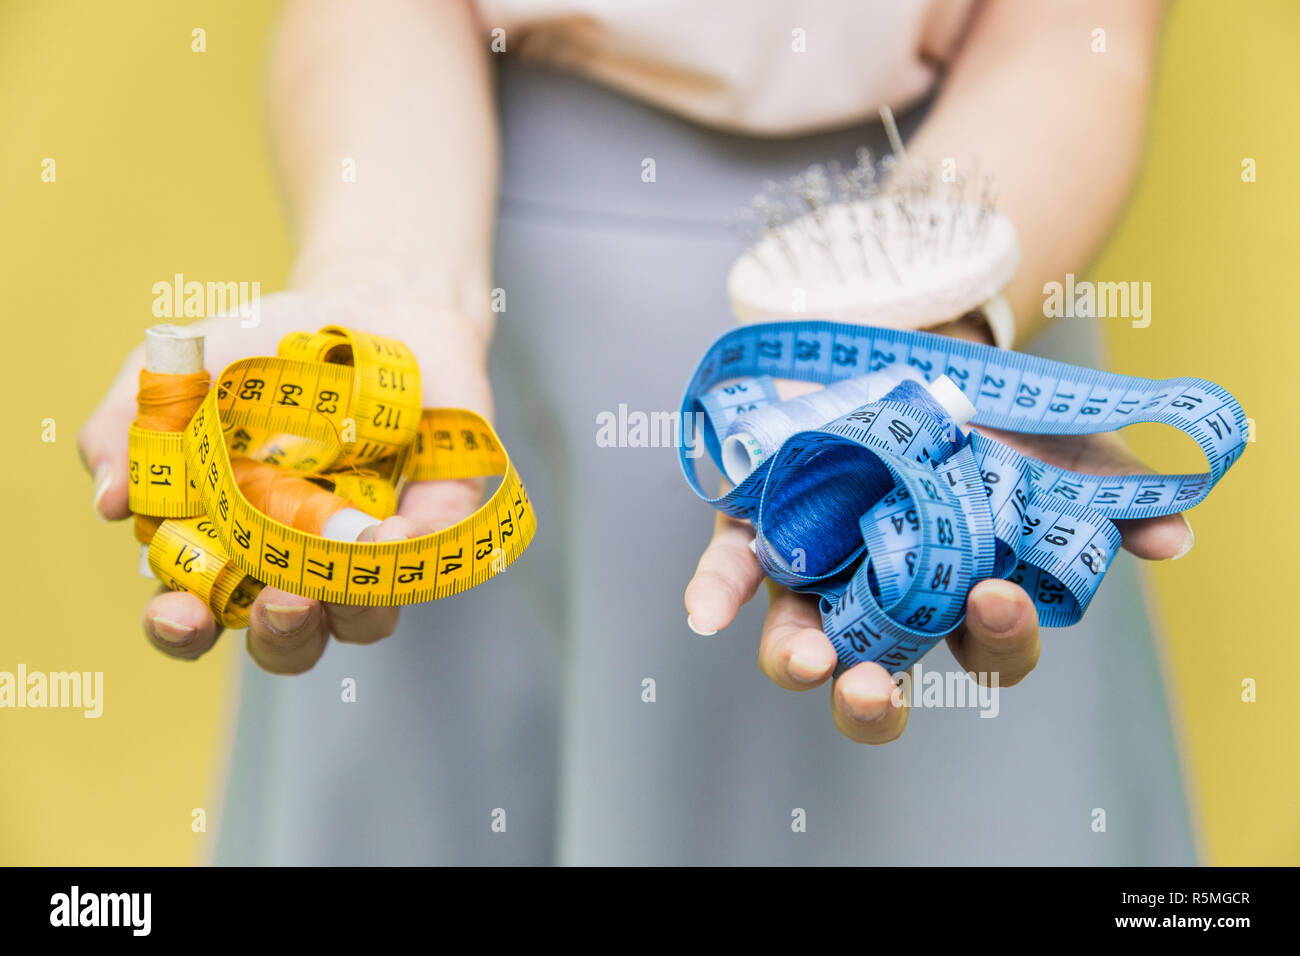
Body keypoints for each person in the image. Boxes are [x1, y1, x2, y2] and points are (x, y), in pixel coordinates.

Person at [80, 0, 1195, 864]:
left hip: (959, 284)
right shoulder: (418, 401)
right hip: (480, 332)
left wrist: (938, 336)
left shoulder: (930, 351)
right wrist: (379, 277)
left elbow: (1071, 33)